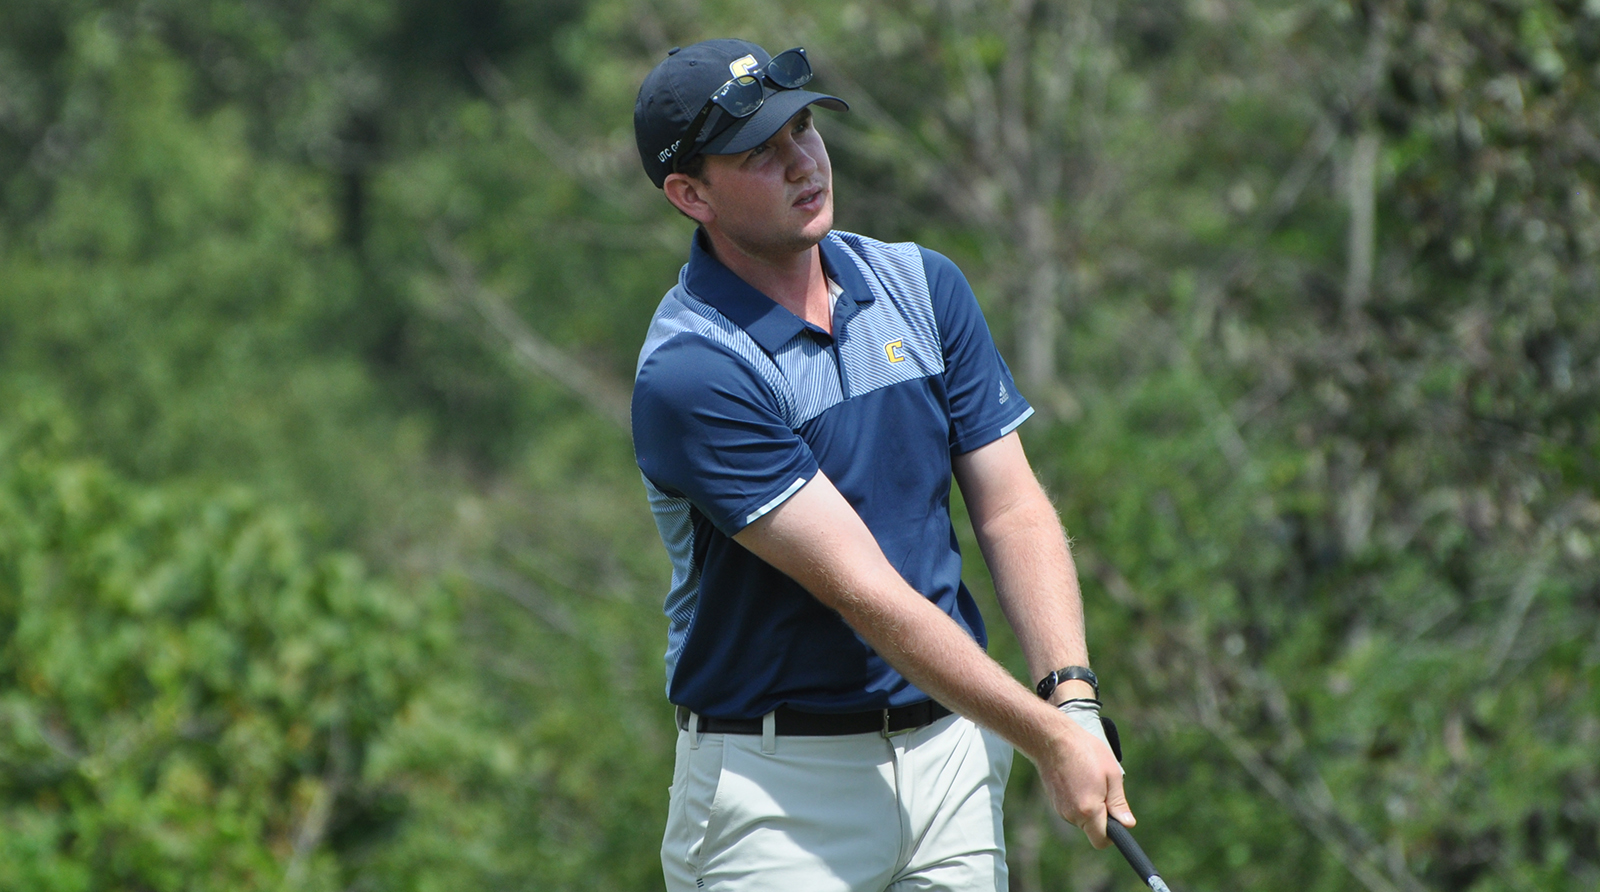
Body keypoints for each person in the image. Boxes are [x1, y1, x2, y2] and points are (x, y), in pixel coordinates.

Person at [629, 38, 1133, 892]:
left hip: (949, 762)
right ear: (691, 194)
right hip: (777, 796)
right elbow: (864, 591)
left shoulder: (921, 286)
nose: (802, 164)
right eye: (760, 154)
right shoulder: (692, 370)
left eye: (805, 134)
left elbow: (1009, 508)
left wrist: (1072, 697)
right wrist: (1048, 739)